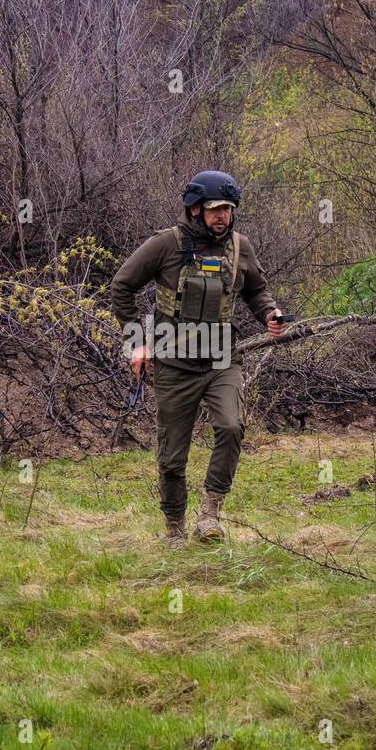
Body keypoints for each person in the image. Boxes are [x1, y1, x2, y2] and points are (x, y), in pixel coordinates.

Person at [110, 170, 287, 546]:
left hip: (222, 359)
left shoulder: (240, 247)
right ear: (195, 208)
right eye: (215, 208)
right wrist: (136, 342)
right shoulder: (166, 244)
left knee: (231, 426)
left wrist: (270, 314)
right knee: (172, 456)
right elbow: (122, 285)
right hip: (174, 363)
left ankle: (210, 515)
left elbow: (257, 291)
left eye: (228, 208)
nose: (223, 215)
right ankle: (174, 528)